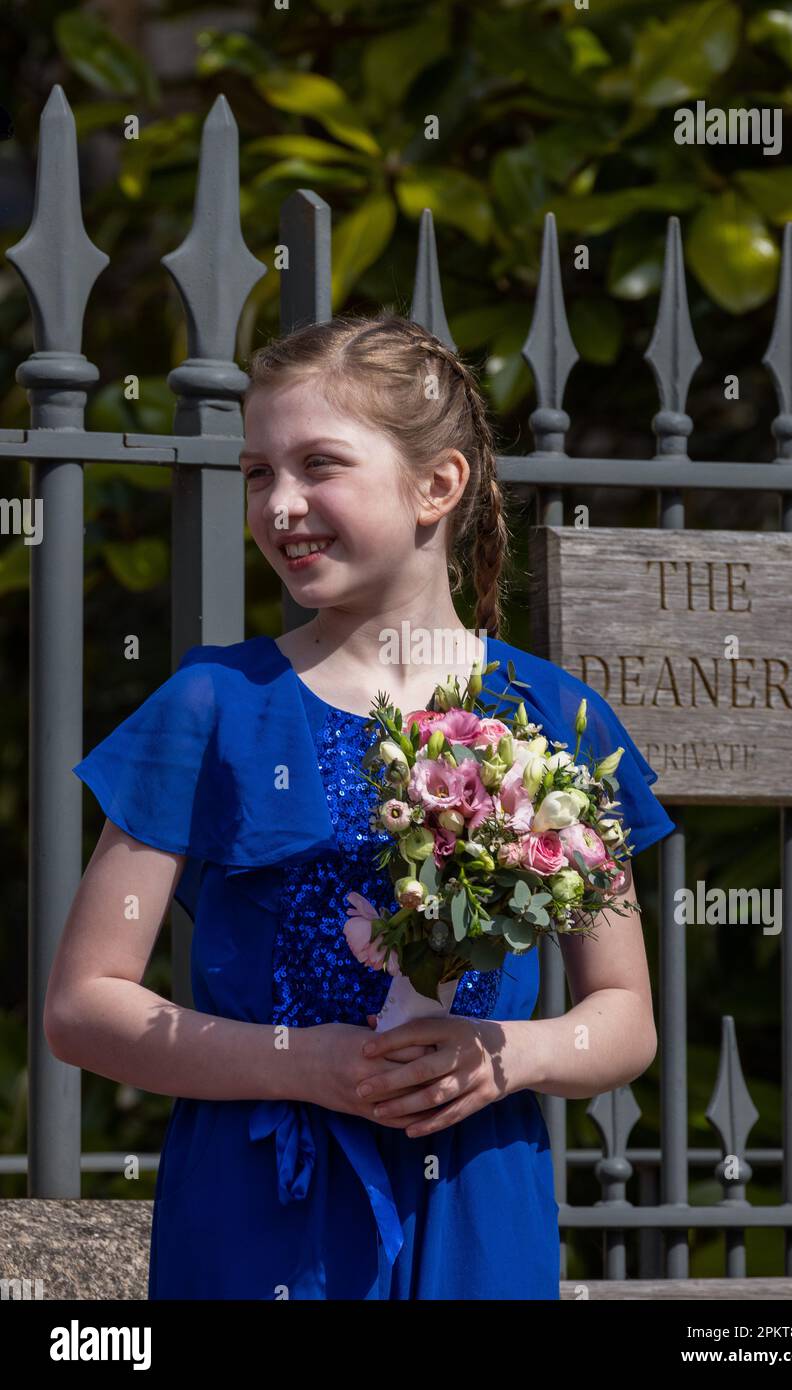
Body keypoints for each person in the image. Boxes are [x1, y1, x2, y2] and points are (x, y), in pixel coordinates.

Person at [44, 313, 675, 1300]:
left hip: (474, 1198)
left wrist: (507, 1055)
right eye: (258, 472)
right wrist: (301, 1062)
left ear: (438, 484)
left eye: (318, 465)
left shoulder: (553, 715)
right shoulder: (212, 708)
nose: (280, 504)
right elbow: (84, 1007)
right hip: (261, 1210)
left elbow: (624, 1015)